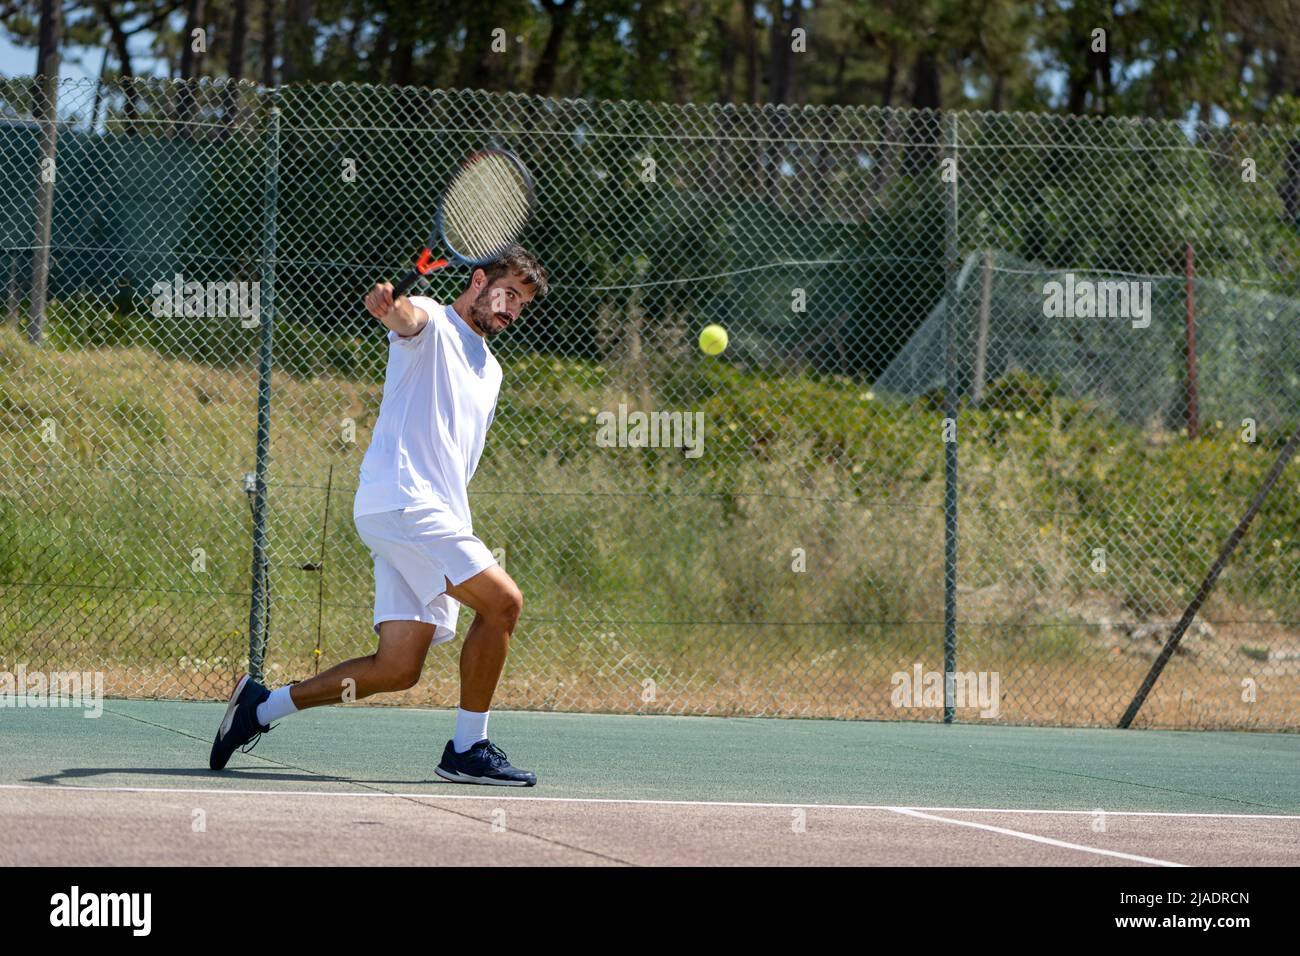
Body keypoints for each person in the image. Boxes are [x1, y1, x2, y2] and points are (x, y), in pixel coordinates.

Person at [210, 245, 549, 786]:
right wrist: (391, 308)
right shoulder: (432, 321)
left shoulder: (493, 371)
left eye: (522, 304)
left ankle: (259, 707)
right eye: (506, 293)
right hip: (406, 504)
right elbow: (406, 317)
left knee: (397, 669)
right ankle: (468, 748)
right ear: (479, 280)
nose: (510, 309)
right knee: (503, 602)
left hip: (420, 515)